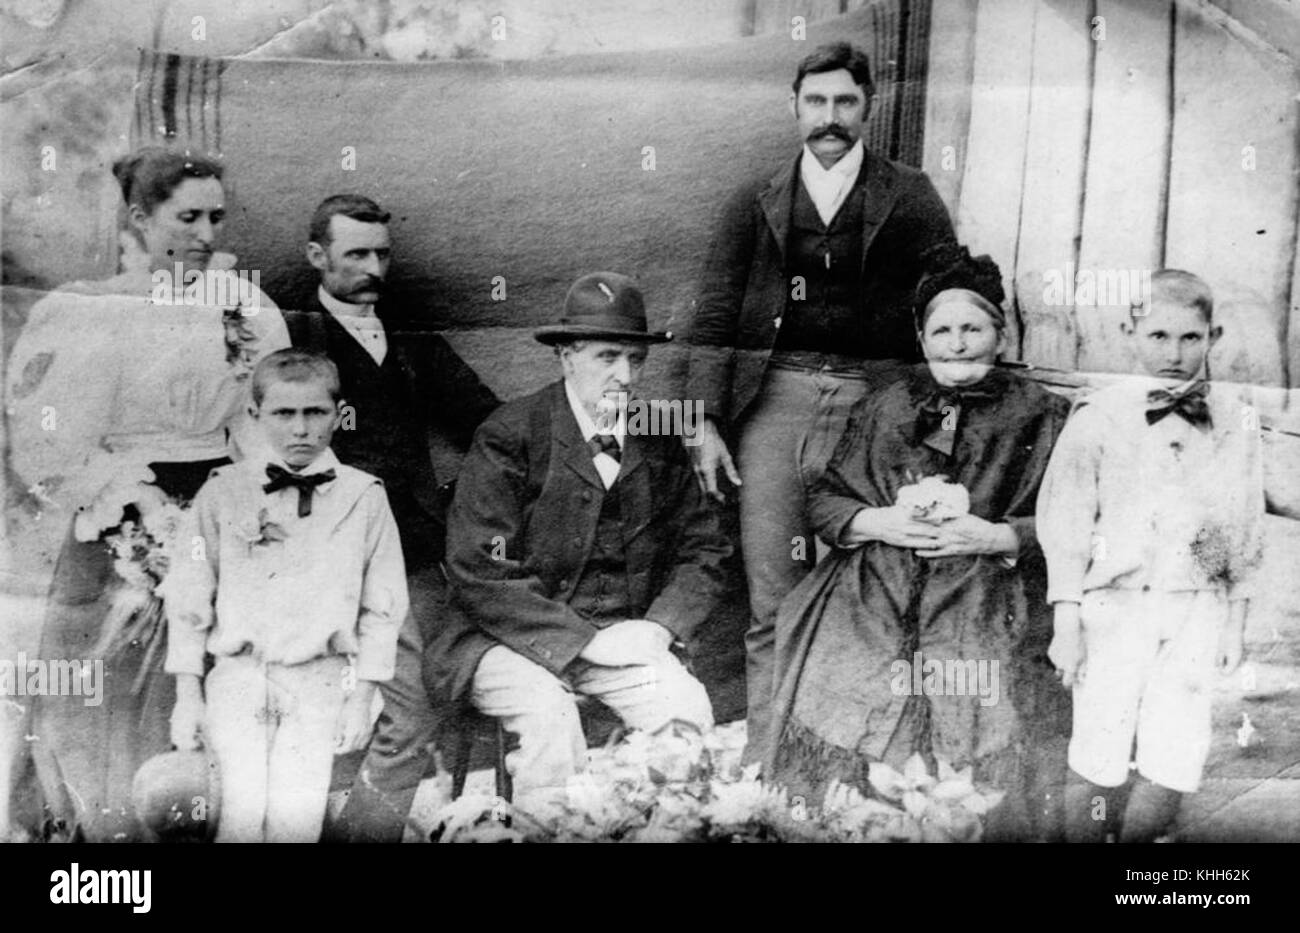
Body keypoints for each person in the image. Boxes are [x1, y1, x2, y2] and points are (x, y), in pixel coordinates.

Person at [685, 41, 959, 765]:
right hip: (775, 403)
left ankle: (853, 761)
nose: (830, 118)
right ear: (794, 107)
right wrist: (705, 421)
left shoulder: (911, 194)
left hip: (877, 407)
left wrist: (934, 416)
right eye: (816, 102)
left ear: (869, 106)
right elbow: (714, 313)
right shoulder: (755, 199)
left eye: (845, 102)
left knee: (870, 589)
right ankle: (767, 763)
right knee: (772, 593)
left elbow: (949, 298)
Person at [4, 147, 288, 841]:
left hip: (220, 500)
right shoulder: (89, 310)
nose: (205, 233)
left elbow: (266, 418)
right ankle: (111, 841)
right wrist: (138, 508)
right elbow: (52, 439)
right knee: (110, 692)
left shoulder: (243, 303)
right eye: (186, 216)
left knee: (218, 687)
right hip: (120, 516)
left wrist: (251, 499)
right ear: (139, 218)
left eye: (216, 217)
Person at [766, 255, 1070, 838]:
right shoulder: (886, 404)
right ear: (921, 338)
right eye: (942, 331)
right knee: (848, 662)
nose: (957, 345)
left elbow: (1082, 519)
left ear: (1001, 335)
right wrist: (876, 522)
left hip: (987, 588)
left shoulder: (1040, 414)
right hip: (875, 584)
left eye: (972, 329)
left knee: (978, 682)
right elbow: (826, 501)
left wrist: (999, 536)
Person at [429, 272, 731, 806]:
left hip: (622, 637)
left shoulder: (656, 435)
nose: (625, 376)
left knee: (683, 707)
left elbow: (704, 549)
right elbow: (480, 566)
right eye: (607, 357)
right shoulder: (512, 434)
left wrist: (660, 628)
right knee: (549, 718)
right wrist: (585, 641)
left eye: (636, 361)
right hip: (503, 640)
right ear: (567, 356)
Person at [283, 194, 499, 842]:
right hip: (339, 558)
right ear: (317, 256)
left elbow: (488, 421)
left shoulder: (409, 341)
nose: (374, 267)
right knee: (407, 715)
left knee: (431, 697)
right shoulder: (294, 339)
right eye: (357, 254)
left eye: (382, 253)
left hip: (420, 554)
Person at [1038, 270, 1264, 843]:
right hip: (1114, 605)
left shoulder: (1234, 417)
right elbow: (1066, 519)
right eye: (1159, 336)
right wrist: (1067, 617)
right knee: (1098, 743)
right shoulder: (1099, 415)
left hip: (1197, 606)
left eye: (1190, 338)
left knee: (1176, 746)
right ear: (1129, 332)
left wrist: (1232, 620)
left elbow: (1239, 521)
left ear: (1212, 337)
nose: (1175, 353)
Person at [165, 349, 408, 843]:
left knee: (295, 824)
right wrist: (187, 696)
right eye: (283, 413)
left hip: (319, 682)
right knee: (236, 817)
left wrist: (361, 698)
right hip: (239, 679)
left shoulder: (364, 497)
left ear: (338, 417)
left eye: (314, 413)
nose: (300, 429)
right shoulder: (223, 492)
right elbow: (190, 598)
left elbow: (382, 609)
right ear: (255, 416)